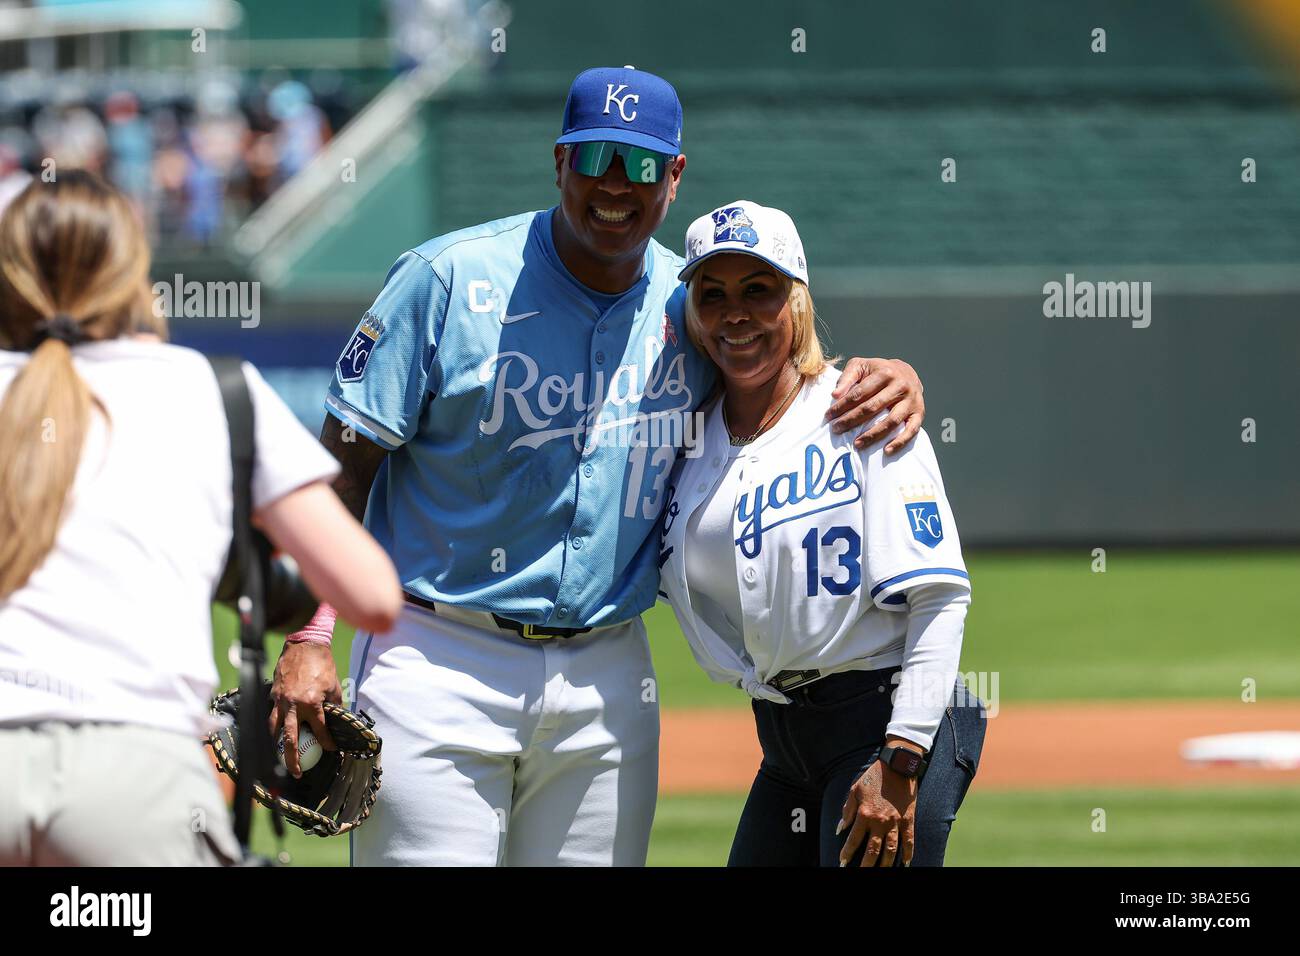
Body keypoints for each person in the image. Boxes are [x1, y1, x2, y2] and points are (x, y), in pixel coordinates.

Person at [276, 66, 931, 867]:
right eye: (598, 159)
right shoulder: (447, 279)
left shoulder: (689, 305)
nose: (618, 185)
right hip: (437, 652)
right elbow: (339, 472)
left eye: (643, 163)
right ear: (560, 161)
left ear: (675, 175)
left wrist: (888, 374)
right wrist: (310, 634)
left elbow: (786, 372)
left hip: (607, 672)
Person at [0, 172, 403, 866]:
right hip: (137, 775)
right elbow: (372, 595)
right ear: (134, 270)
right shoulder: (212, 390)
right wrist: (244, 576)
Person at [659, 199, 985, 867]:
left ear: (797, 299)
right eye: (712, 293)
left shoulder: (865, 413)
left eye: (760, 289)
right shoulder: (686, 439)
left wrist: (901, 759)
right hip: (784, 740)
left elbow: (940, 598)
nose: (736, 312)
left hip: (887, 722)